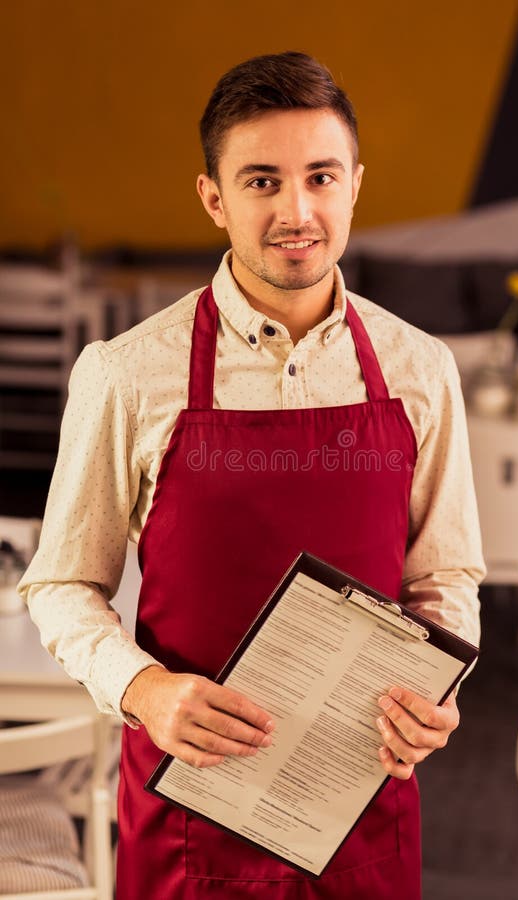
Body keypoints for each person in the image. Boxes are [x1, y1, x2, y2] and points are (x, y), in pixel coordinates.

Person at [19, 51, 485, 899]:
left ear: (354, 186)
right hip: (189, 818)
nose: (297, 210)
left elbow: (445, 574)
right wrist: (145, 690)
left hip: (362, 807)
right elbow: (60, 585)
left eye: (320, 177)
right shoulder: (125, 374)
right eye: (263, 181)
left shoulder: (422, 369)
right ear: (214, 198)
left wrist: (434, 691)